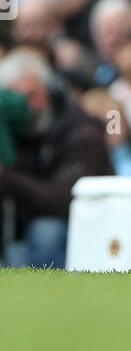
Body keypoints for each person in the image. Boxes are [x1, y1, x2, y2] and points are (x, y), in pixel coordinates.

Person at [0, 50, 112, 268]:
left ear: (47, 90)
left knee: (46, 231)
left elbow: (63, 201)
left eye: (31, 95)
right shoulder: (13, 130)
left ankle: (49, 297)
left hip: (82, 225)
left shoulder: (82, 130)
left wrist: (5, 176)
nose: (24, 107)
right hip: (20, 226)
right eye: (13, 99)